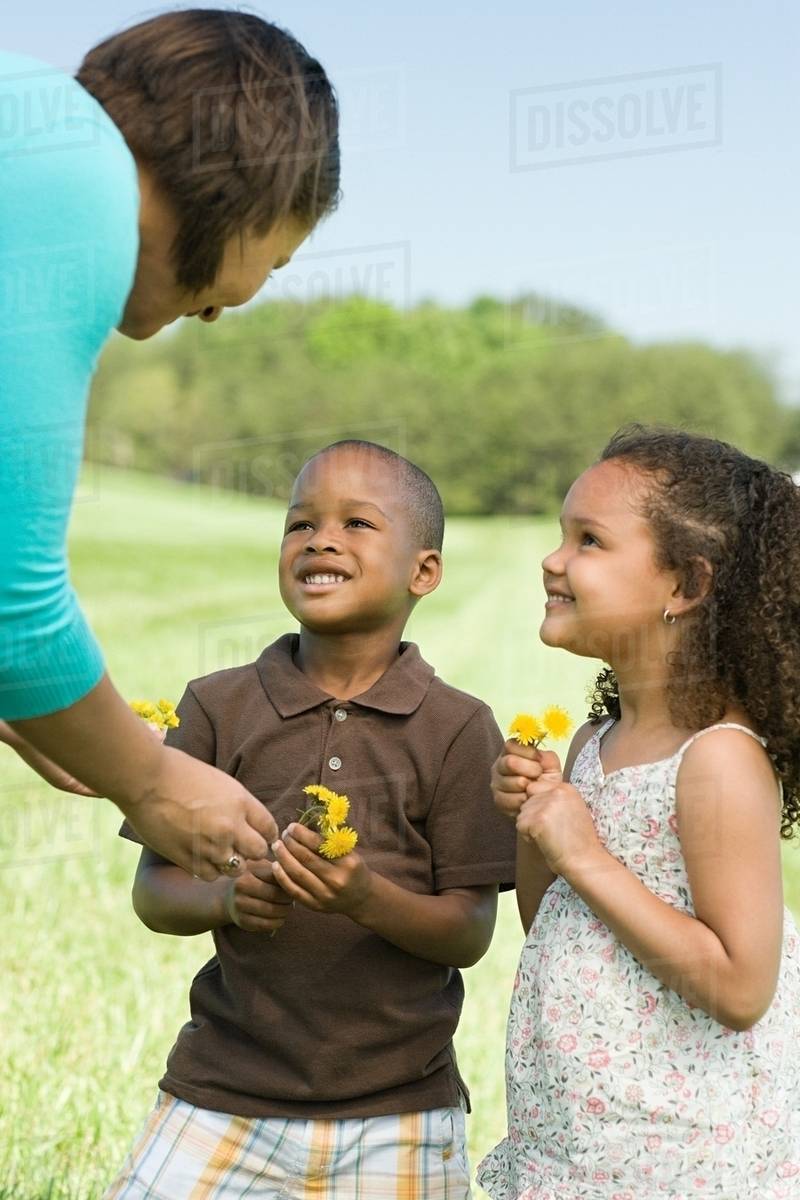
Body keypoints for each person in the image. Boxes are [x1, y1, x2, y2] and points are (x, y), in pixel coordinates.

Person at [104, 440, 517, 1199]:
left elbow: (470, 932)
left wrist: (365, 898)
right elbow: (154, 891)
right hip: (221, 1092)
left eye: (358, 524)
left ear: (423, 571)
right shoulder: (216, 705)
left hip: (399, 1107)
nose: (321, 540)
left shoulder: (459, 727)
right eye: (300, 525)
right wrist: (228, 899)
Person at [0, 9, 339, 878]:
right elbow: (11, 603)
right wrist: (147, 778)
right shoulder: (77, 183)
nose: (235, 303)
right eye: (276, 260)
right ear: (249, 189)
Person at [478, 424, 800, 1199]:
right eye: (561, 536)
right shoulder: (597, 740)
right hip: (583, 1145)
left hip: (684, 1161)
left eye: (589, 540)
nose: (553, 560)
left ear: (687, 587)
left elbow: (739, 987)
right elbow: (554, 927)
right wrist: (540, 826)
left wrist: (584, 851)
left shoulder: (718, 760)